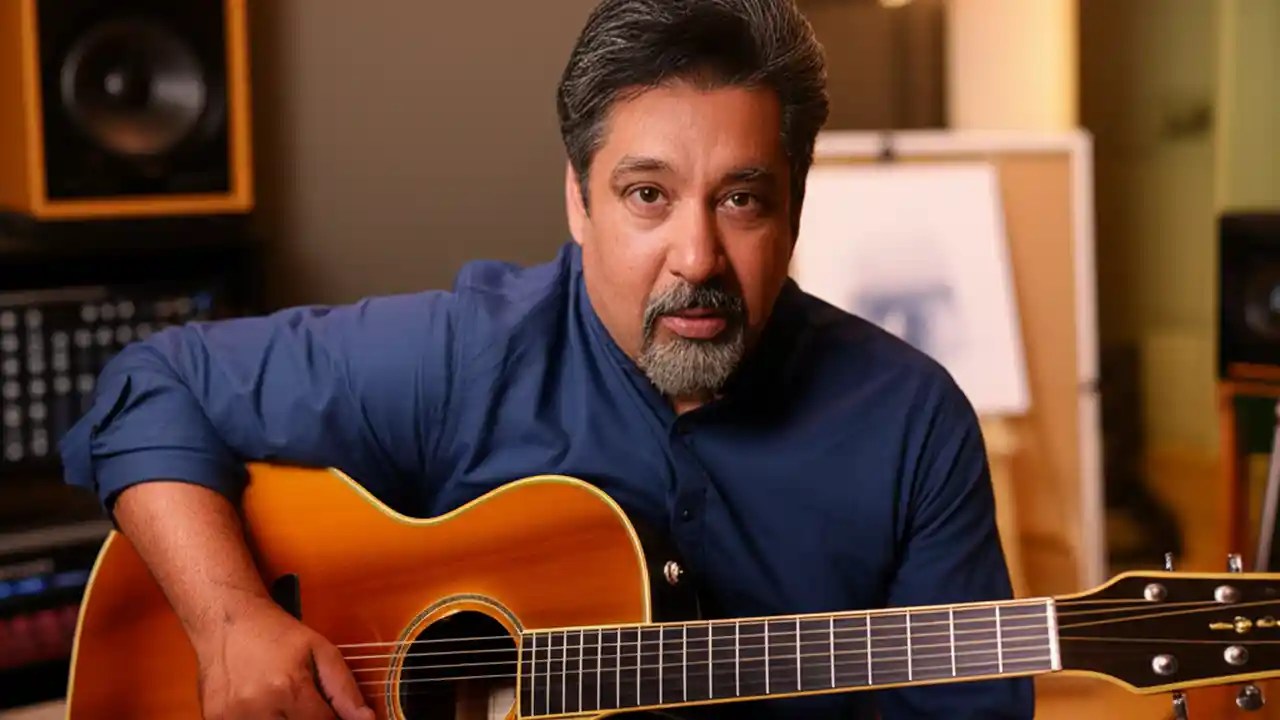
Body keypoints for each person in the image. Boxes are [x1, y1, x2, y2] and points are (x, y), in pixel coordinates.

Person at [58, 0, 1033, 718]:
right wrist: (230, 621)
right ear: (577, 202)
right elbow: (151, 386)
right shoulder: (464, 355)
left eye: (741, 199)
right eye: (646, 195)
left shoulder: (910, 421)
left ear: (795, 205)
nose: (695, 259)